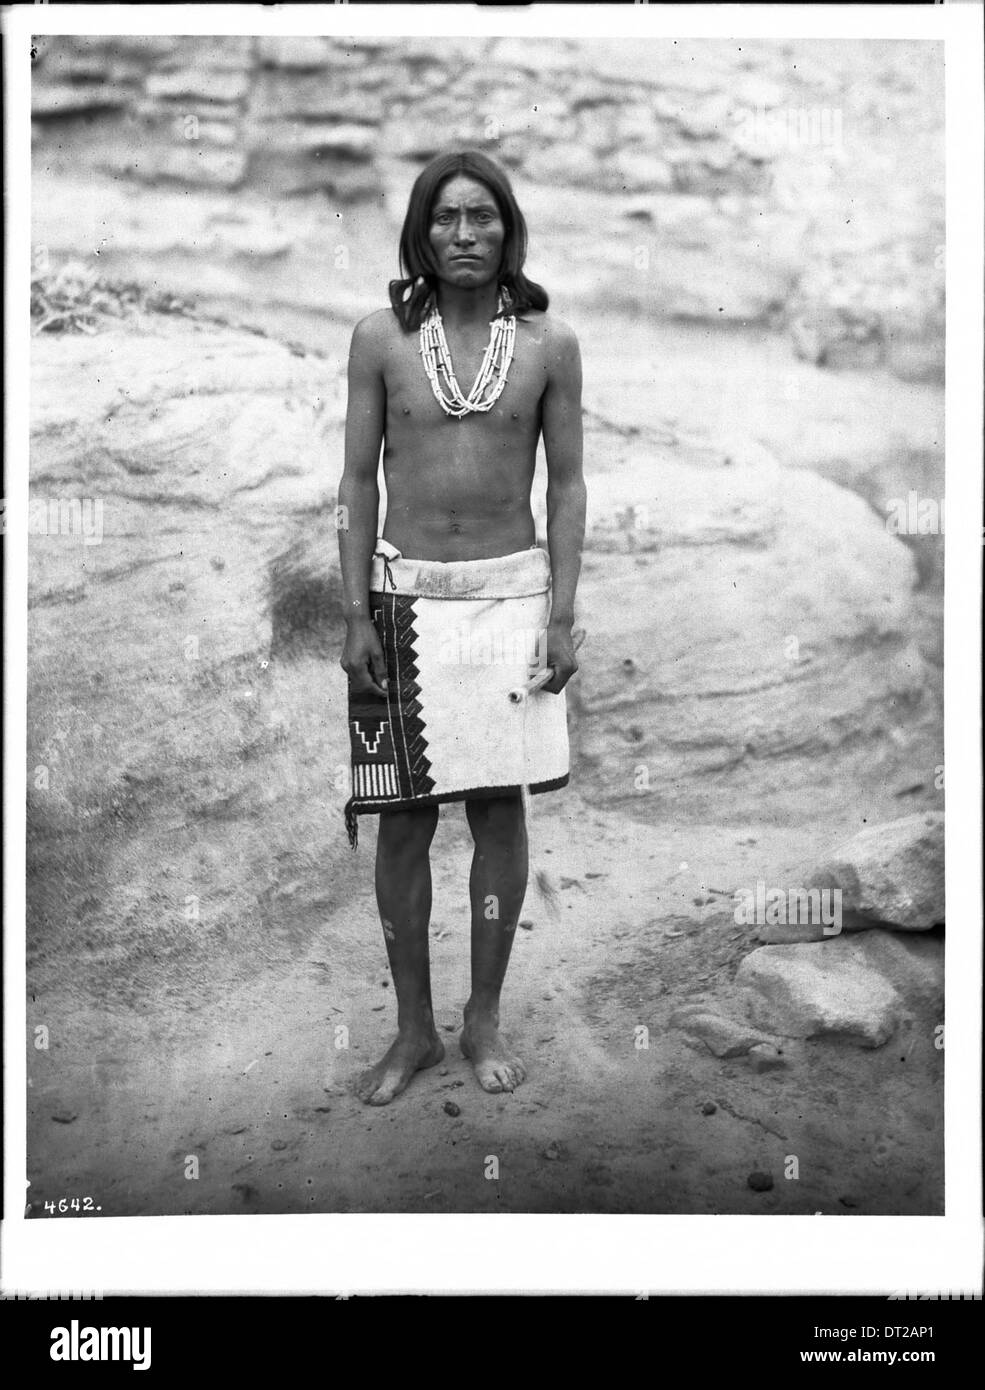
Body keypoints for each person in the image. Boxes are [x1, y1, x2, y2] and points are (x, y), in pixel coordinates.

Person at [337, 150, 585, 1105]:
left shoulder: (549, 347)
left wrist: (561, 614)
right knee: (401, 822)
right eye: (446, 220)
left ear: (507, 230)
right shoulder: (381, 341)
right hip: (401, 606)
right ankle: (413, 1034)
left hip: (509, 601)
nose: (465, 234)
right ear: (420, 233)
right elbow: (358, 483)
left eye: (483, 218)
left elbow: (565, 486)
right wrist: (353, 612)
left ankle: (481, 1018)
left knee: (496, 811)